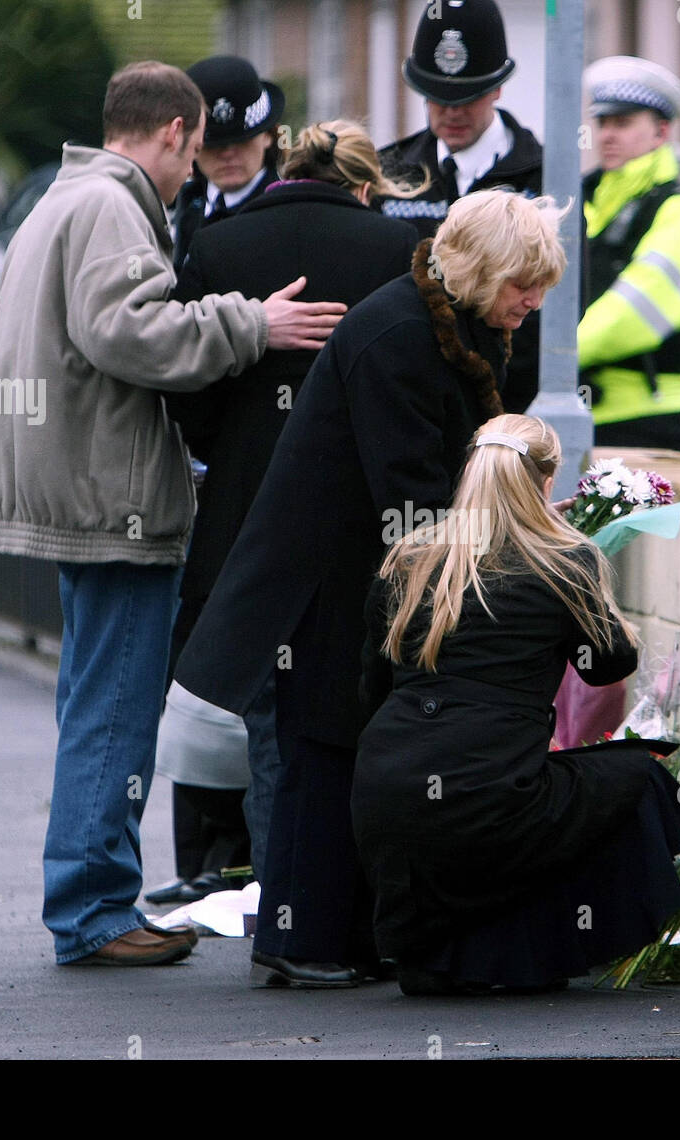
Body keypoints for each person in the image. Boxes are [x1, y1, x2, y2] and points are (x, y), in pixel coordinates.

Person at [0, 61, 346, 967]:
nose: (193, 177)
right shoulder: (111, 206)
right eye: (196, 151)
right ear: (175, 131)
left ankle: (91, 898)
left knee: (94, 700)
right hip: (114, 505)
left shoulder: (64, 198)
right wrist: (251, 325)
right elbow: (129, 333)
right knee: (115, 709)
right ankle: (96, 914)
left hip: (77, 488)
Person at [170, 190, 565, 987]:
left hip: (348, 570)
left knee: (343, 748)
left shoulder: (441, 321)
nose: (534, 302)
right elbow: (410, 488)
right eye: (525, 284)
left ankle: (335, 935)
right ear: (480, 271)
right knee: (321, 752)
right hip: (323, 581)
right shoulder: (399, 334)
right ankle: (299, 940)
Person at [146, 121, 422, 905]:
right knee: (359, 720)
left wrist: (234, 446)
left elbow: (185, 388)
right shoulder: (394, 253)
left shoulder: (222, 244)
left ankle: (282, 899)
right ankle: (354, 906)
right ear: (365, 188)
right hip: (366, 527)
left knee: (271, 728)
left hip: (247, 520)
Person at [352, 414, 680, 994]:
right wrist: (591, 581)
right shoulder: (564, 564)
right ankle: (537, 952)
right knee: (642, 777)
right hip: (494, 792)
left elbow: (371, 686)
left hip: (387, 787)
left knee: (521, 794)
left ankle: (444, 958)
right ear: (545, 480)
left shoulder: (409, 557)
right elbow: (607, 664)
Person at [378, 0, 543, 414]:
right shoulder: (388, 174)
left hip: (510, 406)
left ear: (498, 88)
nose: (451, 112)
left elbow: (556, 311)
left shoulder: (544, 179)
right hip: (408, 399)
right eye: (437, 97)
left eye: (467, 97)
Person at [577, 56, 680, 465]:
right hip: (576, 414)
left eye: (623, 123)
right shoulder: (580, 199)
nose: (608, 135)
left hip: (652, 421)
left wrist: (546, 361)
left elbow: (632, 314)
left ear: (661, 131)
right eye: (603, 122)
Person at [171, 55, 284, 272]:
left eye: (242, 140)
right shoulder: (180, 206)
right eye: (213, 144)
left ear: (268, 135)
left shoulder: (286, 209)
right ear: (192, 144)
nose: (228, 154)